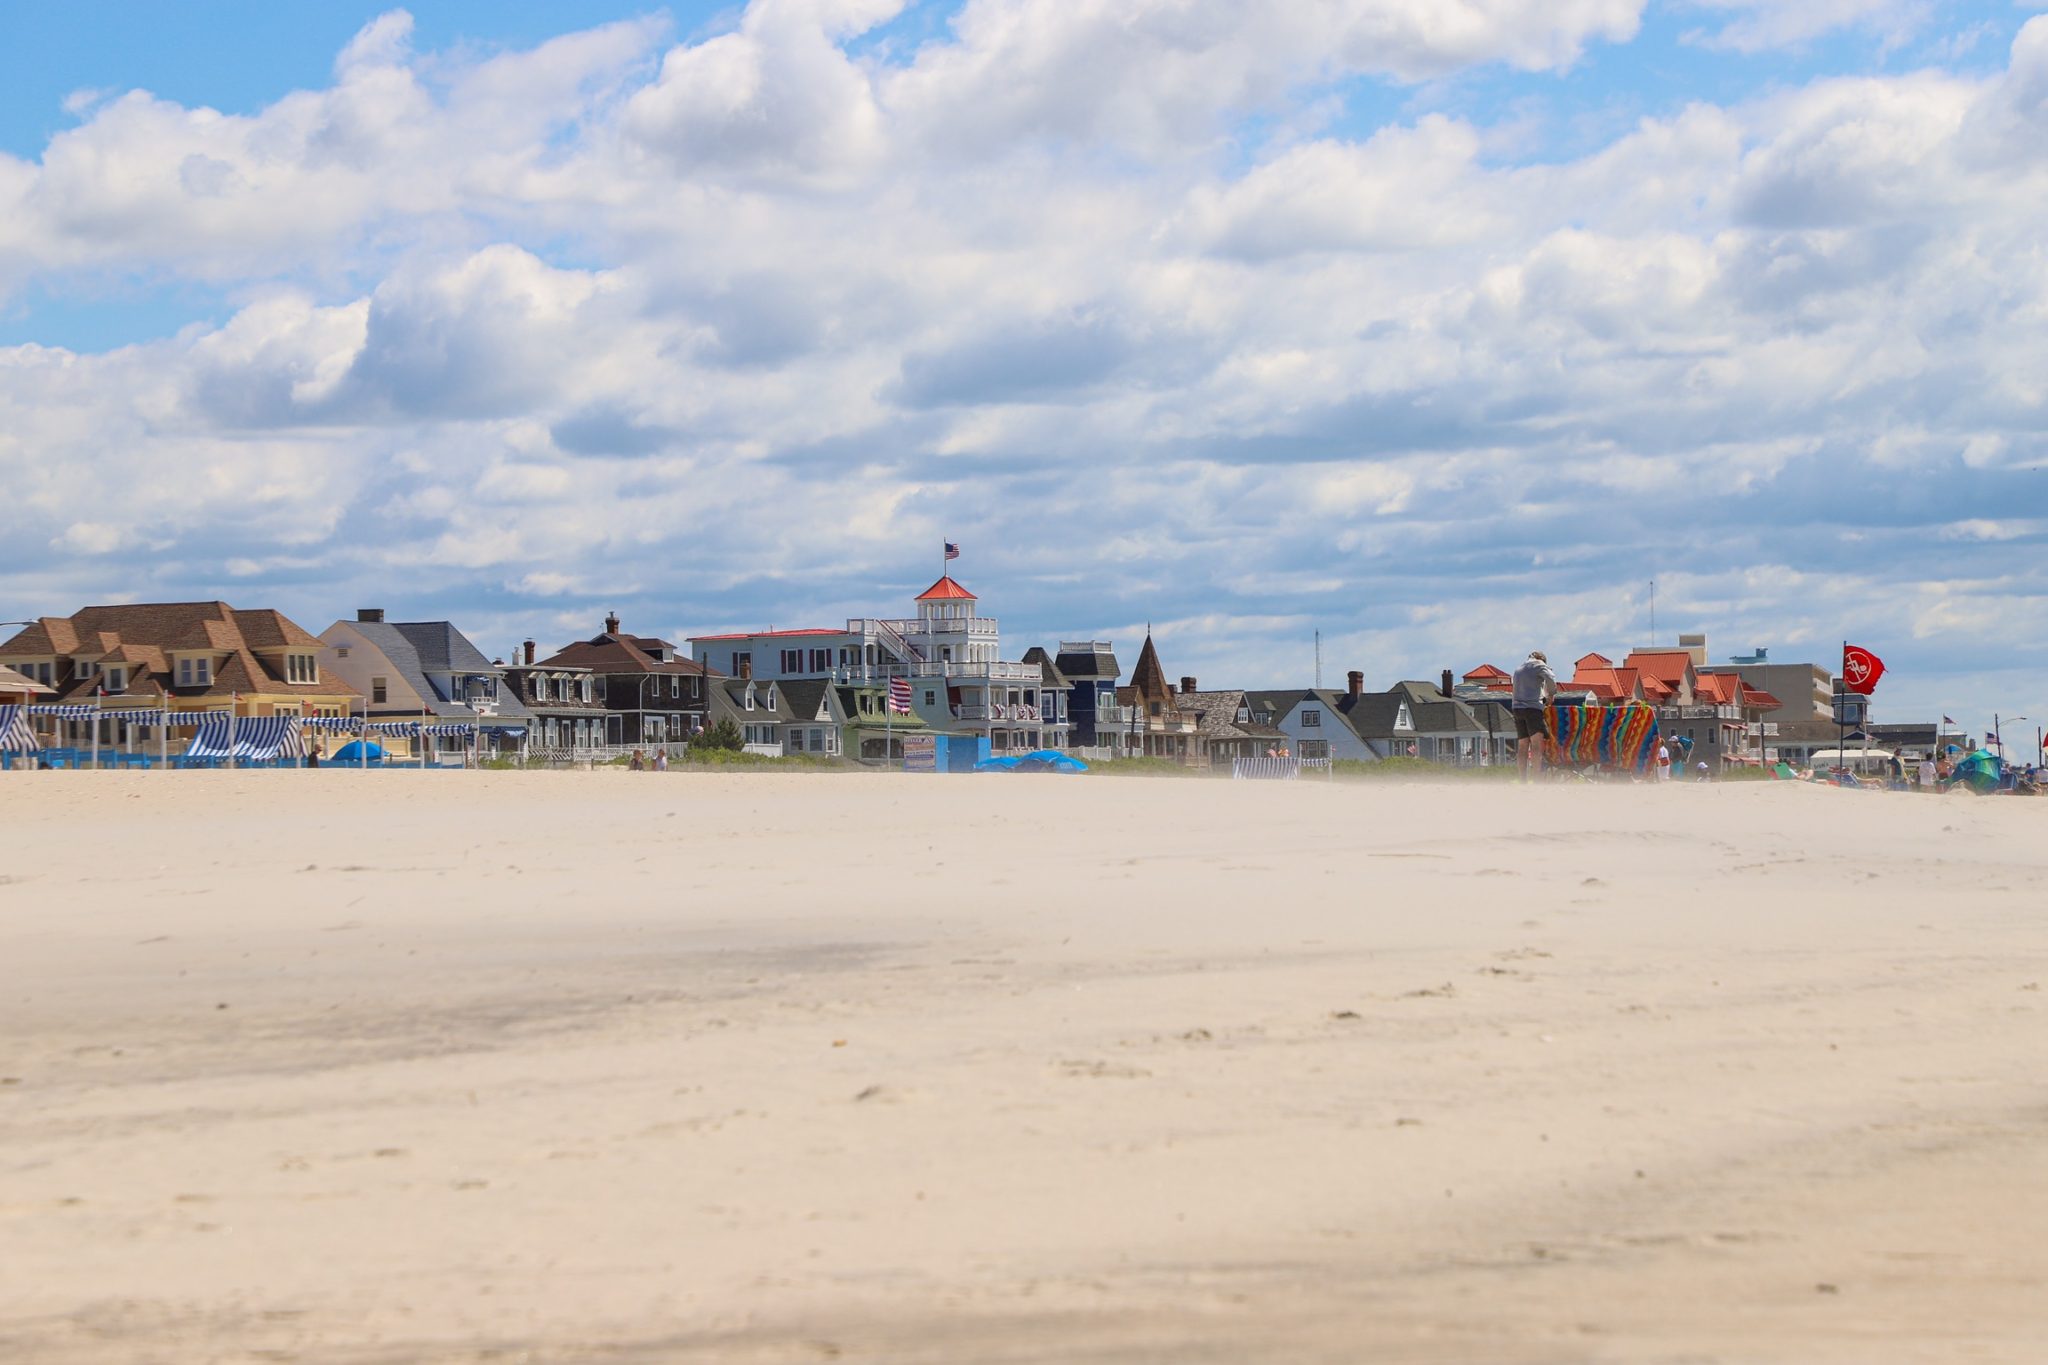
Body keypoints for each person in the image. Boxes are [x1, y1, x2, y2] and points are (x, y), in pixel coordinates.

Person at [1510, 650, 1556, 781]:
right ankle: (1536, 779)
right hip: (1532, 709)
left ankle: (1522, 779)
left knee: (1522, 746)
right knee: (1536, 745)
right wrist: (1551, 694)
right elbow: (1551, 678)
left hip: (1517, 709)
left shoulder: (1519, 668)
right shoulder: (1539, 664)